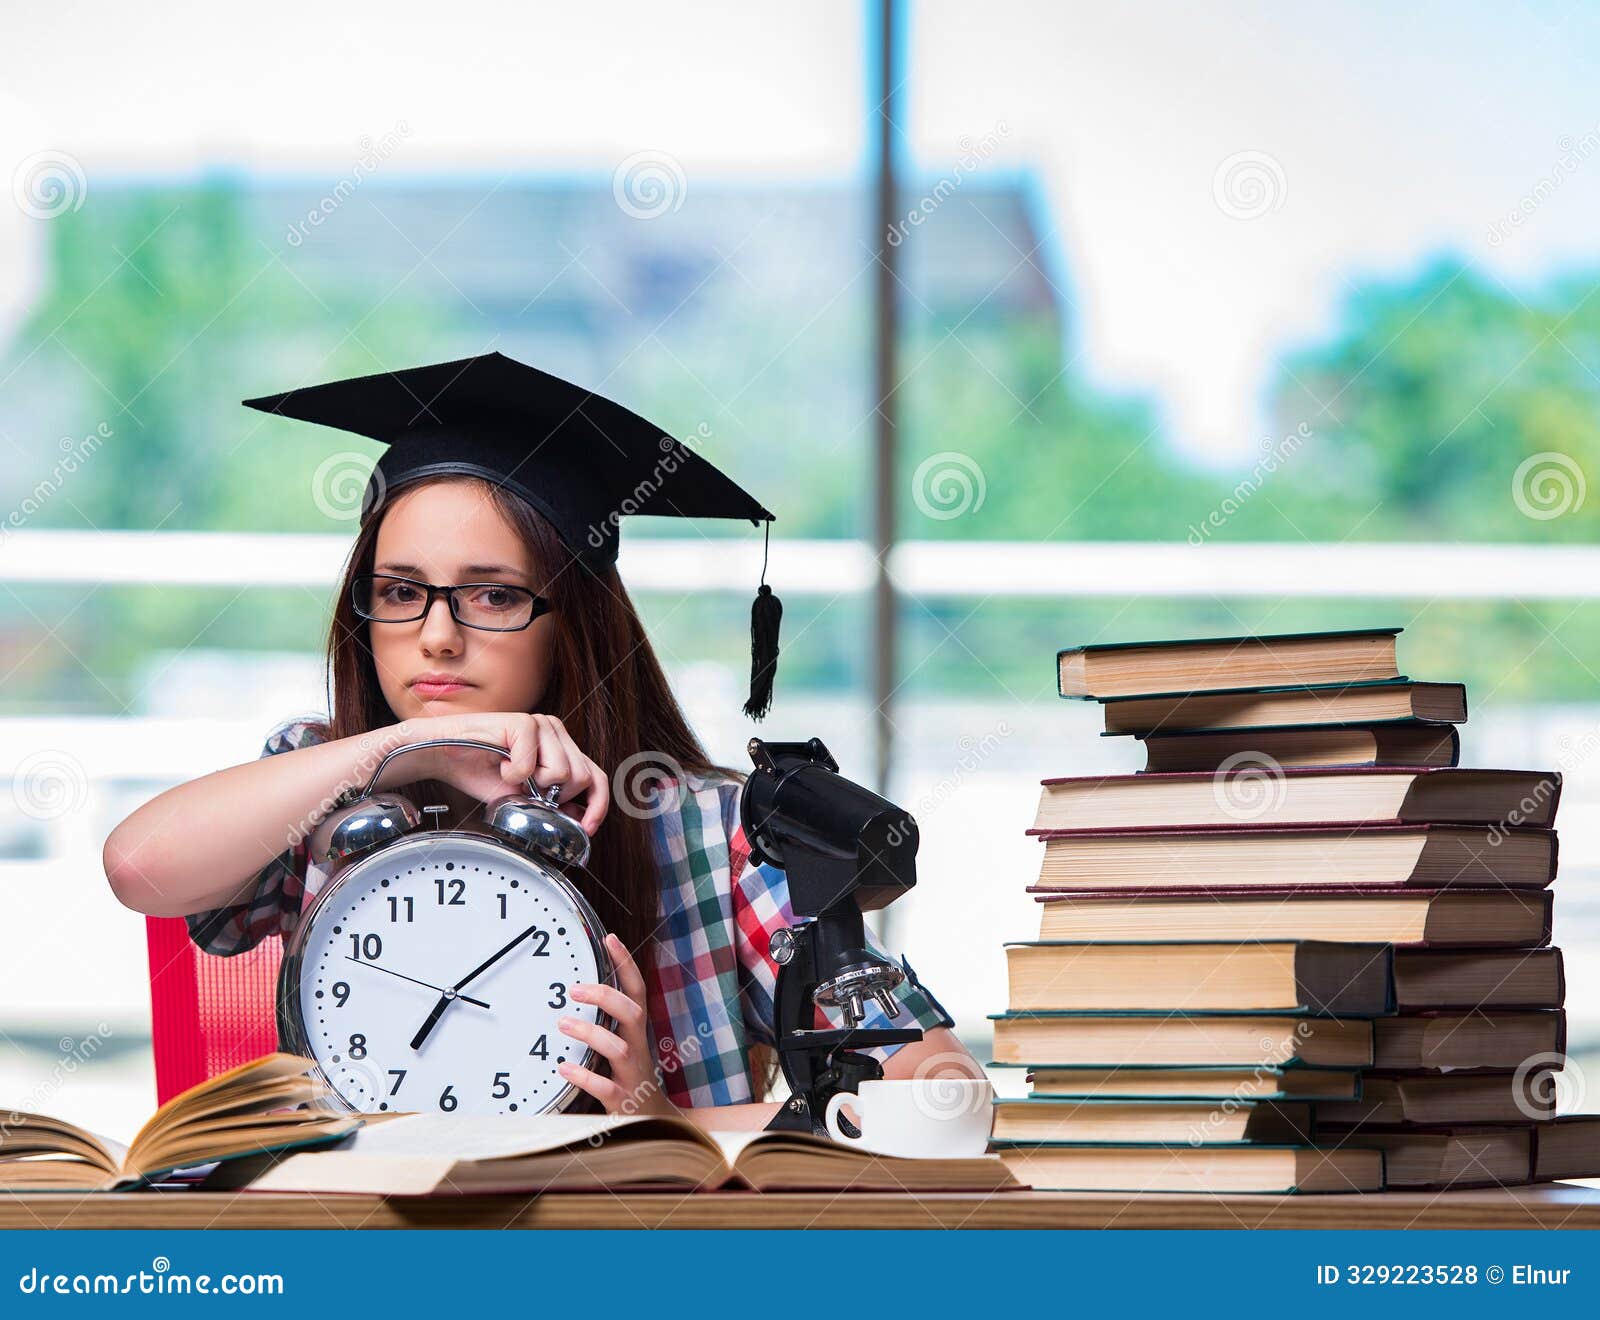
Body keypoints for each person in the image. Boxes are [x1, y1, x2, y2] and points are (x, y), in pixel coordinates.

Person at [104, 352, 981, 1130]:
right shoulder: (323, 776)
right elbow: (138, 866)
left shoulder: (710, 835)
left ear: (576, 622)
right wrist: (412, 748)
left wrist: (663, 1121)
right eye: (401, 591)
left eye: (493, 596)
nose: (438, 637)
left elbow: (943, 1090)